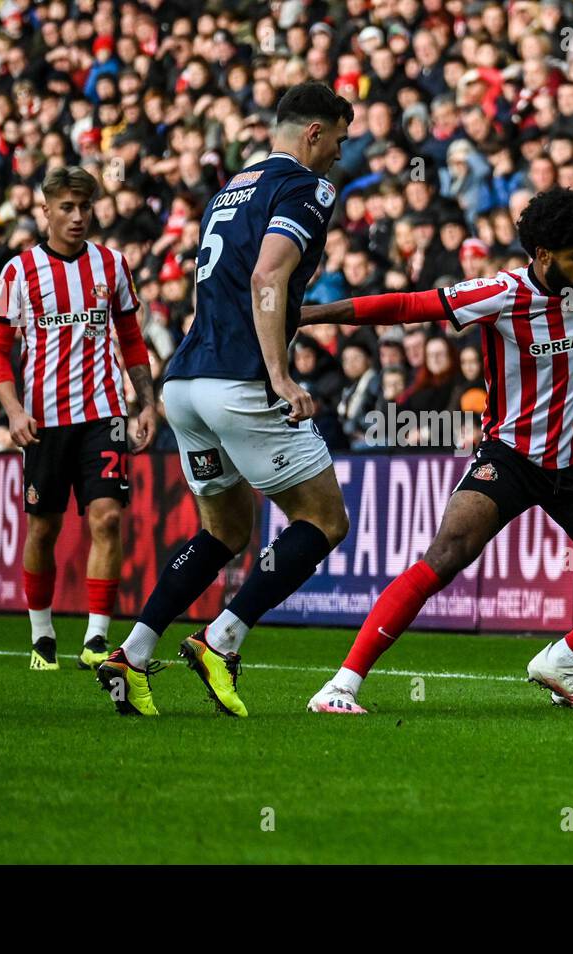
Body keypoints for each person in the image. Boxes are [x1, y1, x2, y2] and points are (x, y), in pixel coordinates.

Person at [301, 188, 573, 714]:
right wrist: (308, 314)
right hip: (511, 459)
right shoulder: (501, 293)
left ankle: (569, 661)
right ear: (543, 255)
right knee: (445, 556)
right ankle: (341, 686)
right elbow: (407, 306)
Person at [96, 82, 354, 718]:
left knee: (226, 529)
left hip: (187, 382)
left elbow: (219, 286)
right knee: (325, 521)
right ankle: (221, 640)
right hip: (241, 380)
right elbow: (267, 275)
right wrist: (280, 375)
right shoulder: (306, 188)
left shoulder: (230, 190)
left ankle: (132, 653)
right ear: (314, 132)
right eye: (338, 140)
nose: (339, 155)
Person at [0, 166, 157, 673]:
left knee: (107, 517)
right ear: (46, 211)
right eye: (67, 207)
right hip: (43, 421)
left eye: (85, 207)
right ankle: (42, 633)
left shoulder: (113, 264)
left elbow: (131, 339)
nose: (78, 216)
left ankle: (96, 638)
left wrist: (146, 402)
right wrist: (14, 410)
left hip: (105, 413)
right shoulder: (19, 272)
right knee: (44, 529)